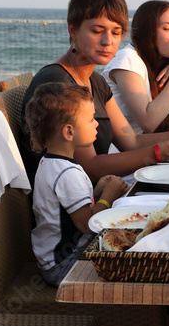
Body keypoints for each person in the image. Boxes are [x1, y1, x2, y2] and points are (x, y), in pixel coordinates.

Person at [19, 0, 169, 184]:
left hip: (99, 191)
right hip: (71, 209)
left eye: (116, 32)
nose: (107, 41)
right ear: (73, 30)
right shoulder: (58, 83)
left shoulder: (96, 81)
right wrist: (168, 150)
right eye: (97, 30)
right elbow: (90, 167)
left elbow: (131, 142)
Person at [25, 83, 128, 286]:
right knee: (132, 260)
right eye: (90, 119)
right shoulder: (67, 173)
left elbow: (69, 206)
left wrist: (97, 191)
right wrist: (109, 195)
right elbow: (86, 225)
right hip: (64, 265)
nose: (96, 124)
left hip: (54, 261)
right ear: (69, 132)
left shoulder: (52, 163)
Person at [103, 0, 169, 134]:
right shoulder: (127, 60)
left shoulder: (156, 63)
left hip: (141, 149)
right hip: (116, 152)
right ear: (147, 32)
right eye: (167, 28)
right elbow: (148, 123)